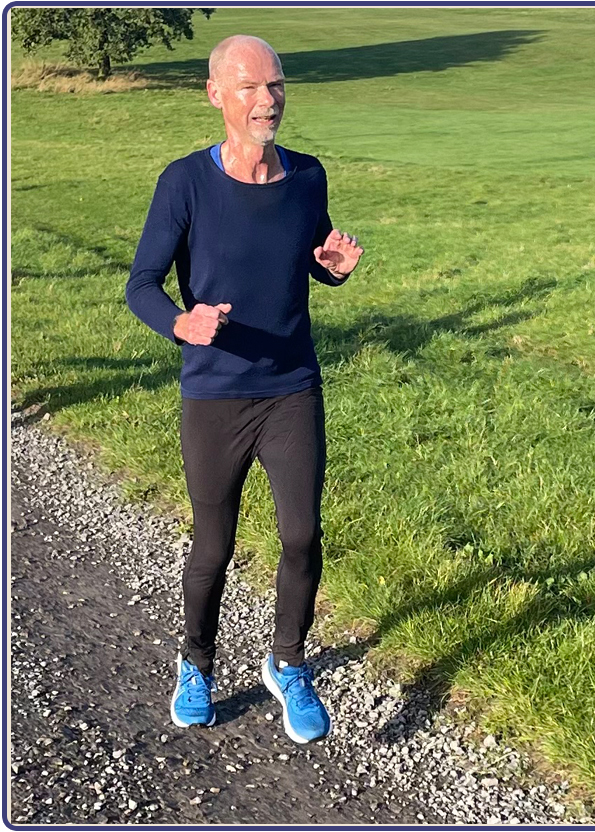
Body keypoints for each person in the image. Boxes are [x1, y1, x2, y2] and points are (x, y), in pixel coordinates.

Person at [126, 35, 363, 744]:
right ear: (216, 95)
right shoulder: (184, 183)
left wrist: (333, 268)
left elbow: (310, 254)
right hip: (215, 394)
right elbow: (141, 284)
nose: (268, 99)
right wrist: (180, 323)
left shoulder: (308, 176)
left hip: (291, 386)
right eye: (252, 87)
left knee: (301, 533)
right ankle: (195, 663)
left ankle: (287, 662)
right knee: (213, 545)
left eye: (277, 85)